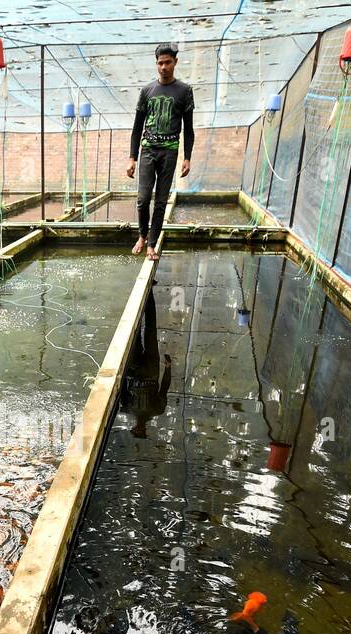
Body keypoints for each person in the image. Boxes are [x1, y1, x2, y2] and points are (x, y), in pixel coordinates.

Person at [128, 43, 195, 261]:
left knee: (160, 201)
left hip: (170, 153)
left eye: (167, 62)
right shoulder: (147, 91)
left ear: (175, 62)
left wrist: (187, 157)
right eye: (160, 63)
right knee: (143, 198)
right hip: (148, 151)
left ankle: (152, 245)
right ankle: (142, 236)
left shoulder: (184, 91)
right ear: (156, 64)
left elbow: (189, 128)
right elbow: (137, 128)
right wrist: (132, 158)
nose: (163, 67)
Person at [121, 290, 172, 438]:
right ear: (145, 430)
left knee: (135, 333)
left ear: (133, 427)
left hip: (134, 371)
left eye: (136, 430)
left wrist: (123, 367)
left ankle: (137, 299)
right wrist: (167, 369)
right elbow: (164, 388)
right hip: (151, 370)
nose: (139, 428)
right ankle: (149, 293)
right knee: (150, 330)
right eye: (141, 431)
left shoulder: (127, 408)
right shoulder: (157, 410)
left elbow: (123, 387)